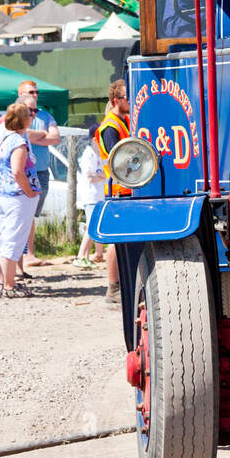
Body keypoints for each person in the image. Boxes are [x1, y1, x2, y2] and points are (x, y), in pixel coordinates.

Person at [0, 102, 40, 298]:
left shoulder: (4, 138)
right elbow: (17, 171)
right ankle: (8, 285)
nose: (32, 116)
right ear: (24, 119)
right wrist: (30, 191)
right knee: (13, 240)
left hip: (5, 194)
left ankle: (7, 282)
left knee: (8, 238)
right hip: (17, 196)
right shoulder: (17, 142)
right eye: (30, 114)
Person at [15, 80, 60, 267]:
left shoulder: (45, 115)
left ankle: (29, 254)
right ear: (20, 94)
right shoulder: (14, 115)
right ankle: (23, 255)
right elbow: (21, 133)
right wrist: (40, 134)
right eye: (30, 92)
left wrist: (34, 135)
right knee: (23, 214)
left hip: (41, 171)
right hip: (23, 171)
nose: (35, 95)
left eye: (36, 92)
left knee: (32, 214)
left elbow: (55, 138)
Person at [95, 81, 131, 304]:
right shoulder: (110, 127)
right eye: (127, 97)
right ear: (117, 101)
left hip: (124, 188)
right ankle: (113, 287)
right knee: (115, 242)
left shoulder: (122, 121)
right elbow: (116, 158)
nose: (131, 100)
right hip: (117, 189)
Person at [73, 125, 106, 268]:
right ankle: (81, 255)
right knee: (91, 225)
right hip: (91, 195)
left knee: (97, 224)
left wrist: (101, 176)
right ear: (94, 139)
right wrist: (103, 176)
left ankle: (99, 254)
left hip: (99, 195)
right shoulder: (88, 154)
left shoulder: (98, 153)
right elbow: (90, 176)